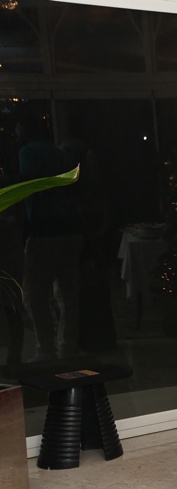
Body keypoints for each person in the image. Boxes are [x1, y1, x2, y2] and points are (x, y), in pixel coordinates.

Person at [16, 115, 81, 362]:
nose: (16, 135)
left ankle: (46, 350)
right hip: (71, 230)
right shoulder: (63, 155)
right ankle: (68, 348)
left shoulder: (27, 153)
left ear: (27, 132)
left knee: (34, 295)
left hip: (44, 231)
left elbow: (29, 186)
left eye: (18, 130)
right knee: (68, 293)